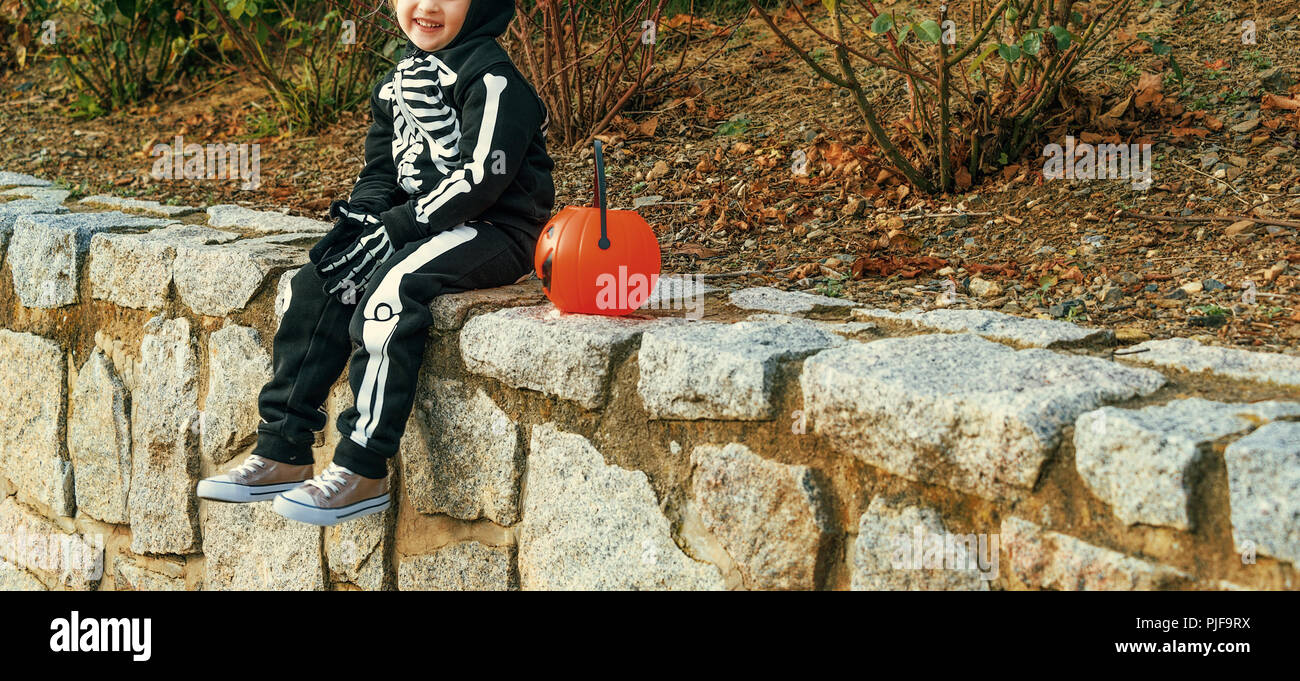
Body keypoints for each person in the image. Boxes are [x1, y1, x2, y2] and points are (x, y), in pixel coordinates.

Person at [195, 0, 555, 526]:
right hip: (413, 219)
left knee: (391, 293)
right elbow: (382, 171)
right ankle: (282, 448)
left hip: (495, 229)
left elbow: (481, 179)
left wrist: (397, 229)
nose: (426, 6)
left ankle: (362, 467)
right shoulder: (395, 82)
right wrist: (362, 221)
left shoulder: (495, 80)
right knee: (320, 280)